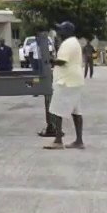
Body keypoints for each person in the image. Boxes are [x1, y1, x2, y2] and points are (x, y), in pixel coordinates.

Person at [44, 21, 85, 150]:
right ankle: (79, 141)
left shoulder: (67, 44)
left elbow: (62, 61)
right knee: (76, 111)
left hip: (66, 81)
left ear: (67, 32)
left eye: (61, 30)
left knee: (57, 110)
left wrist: (50, 60)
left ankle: (58, 140)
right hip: (75, 80)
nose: (59, 32)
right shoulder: (74, 42)